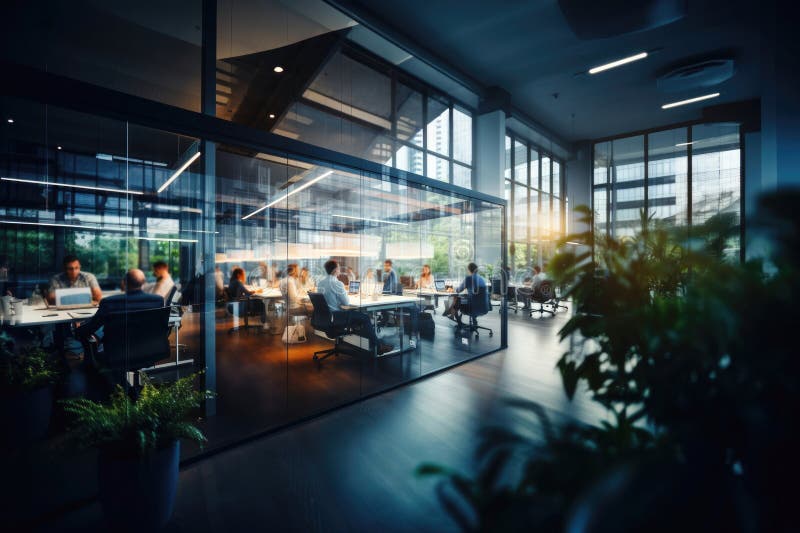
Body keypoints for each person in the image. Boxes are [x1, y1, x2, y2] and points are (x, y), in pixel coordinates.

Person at [317, 260, 393, 355]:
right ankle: (378, 347)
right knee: (364, 318)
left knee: (359, 318)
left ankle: (370, 344)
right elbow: (346, 302)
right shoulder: (337, 284)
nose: (340, 269)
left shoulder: (320, 283)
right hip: (337, 316)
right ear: (335, 270)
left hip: (326, 318)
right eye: (339, 268)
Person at [76, 269, 164, 349]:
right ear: (144, 282)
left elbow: (92, 327)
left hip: (116, 353)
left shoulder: (109, 302)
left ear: (124, 282)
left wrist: (78, 329)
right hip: (148, 350)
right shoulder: (157, 300)